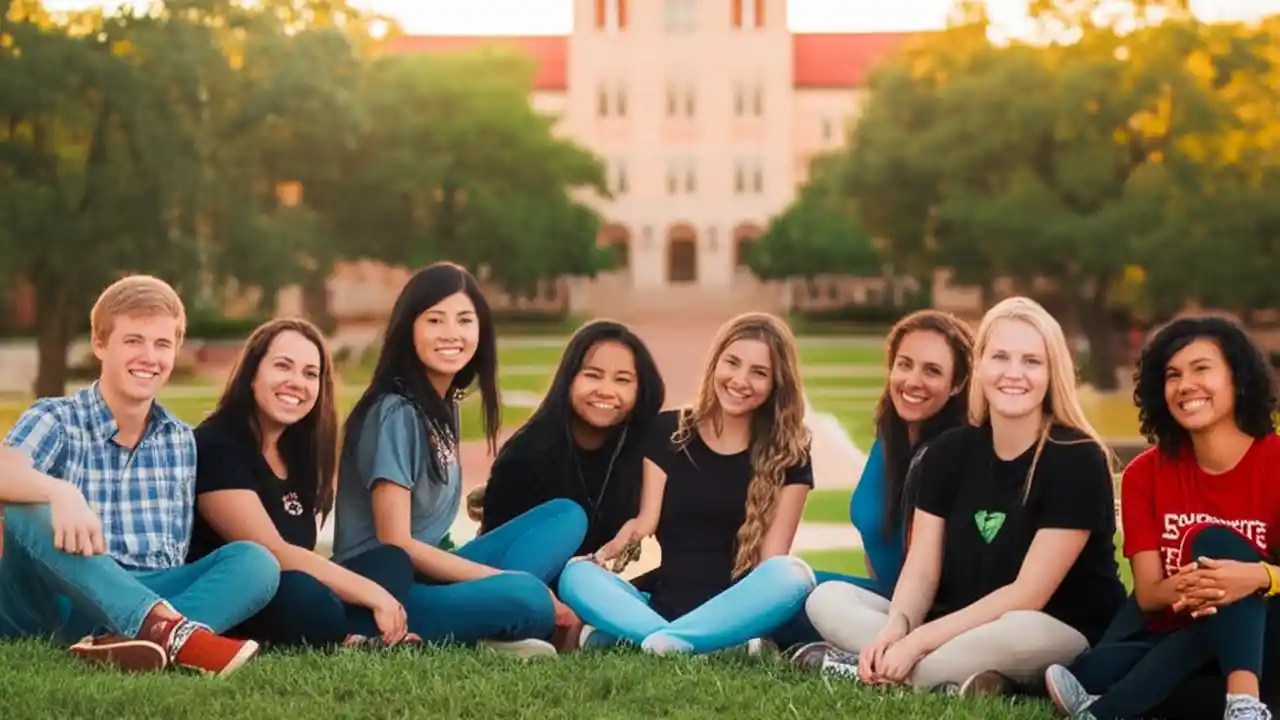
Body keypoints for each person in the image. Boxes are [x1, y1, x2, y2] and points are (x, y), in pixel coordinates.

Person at [805, 296, 1125, 696]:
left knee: (1018, 633)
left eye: (1031, 361)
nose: (1014, 373)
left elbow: (1029, 593)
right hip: (960, 624)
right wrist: (897, 628)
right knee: (827, 598)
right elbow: (921, 570)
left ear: (1052, 372)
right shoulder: (948, 452)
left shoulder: (1077, 458)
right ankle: (952, 677)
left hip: (1053, 624)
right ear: (981, 365)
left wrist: (918, 642)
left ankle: (864, 671)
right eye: (1000, 357)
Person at [0, 275, 278, 675]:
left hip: (152, 587)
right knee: (29, 505)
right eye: (133, 341)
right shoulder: (56, 418)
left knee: (256, 562)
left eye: (162, 344)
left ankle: (131, 642)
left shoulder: (181, 440)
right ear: (100, 344)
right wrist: (61, 493)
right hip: (59, 599)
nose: (149, 356)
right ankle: (166, 635)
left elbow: (173, 554)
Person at [333, 261, 586, 658]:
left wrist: (496, 578)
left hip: (428, 576)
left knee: (567, 516)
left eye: (464, 320)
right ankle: (492, 621)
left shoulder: (441, 404)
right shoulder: (393, 413)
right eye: (435, 320)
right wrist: (505, 580)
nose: (452, 334)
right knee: (528, 599)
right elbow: (395, 542)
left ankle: (487, 620)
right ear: (408, 328)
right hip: (381, 590)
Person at [1044, 314, 1279, 720]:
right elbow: (1151, 593)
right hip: (1178, 635)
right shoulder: (1145, 474)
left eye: (1202, 368)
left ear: (1237, 379)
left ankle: (1236, 702)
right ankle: (1243, 703)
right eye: (1172, 375)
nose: (1185, 385)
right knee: (1096, 668)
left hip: (1269, 635)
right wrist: (1211, 584)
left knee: (1215, 543)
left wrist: (1257, 577)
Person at [557, 312, 817, 654]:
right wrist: (606, 556)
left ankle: (658, 642)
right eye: (733, 363)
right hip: (662, 602)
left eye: (759, 373)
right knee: (576, 575)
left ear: (776, 384)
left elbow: (771, 564)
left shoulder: (790, 455)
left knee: (793, 574)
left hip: (734, 614)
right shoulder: (669, 431)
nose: (740, 380)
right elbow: (645, 523)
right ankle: (682, 642)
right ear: (715, 364)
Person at [188, 318, 417, 648]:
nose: (297, 382)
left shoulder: (299, 453)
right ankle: (350, 630)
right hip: (241, 597)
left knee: (392, 561)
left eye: (310, 374)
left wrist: (370, 588)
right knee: (309, 600)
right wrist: (371, 593)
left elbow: (303, 555)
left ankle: (351, 633)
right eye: (283, 366)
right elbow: (273, 553)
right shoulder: (216, 444)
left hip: (293, 588)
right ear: (253, 374)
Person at [785, 310, 973, 658]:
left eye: (932, 370)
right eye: (905, 364)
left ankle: (879, 657)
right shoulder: (890, 436)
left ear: (958, 384)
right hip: (884, 602)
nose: (913, 380)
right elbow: (876, 537)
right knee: (783, 584)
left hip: (935, 618)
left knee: (796, 603)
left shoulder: (957, 453)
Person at [478, 319, 665, 555]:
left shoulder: (651, 446)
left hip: (621, 587)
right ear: (568, 379)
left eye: (622, 380)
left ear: (640, 389)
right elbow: (495, 553)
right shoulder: (525, 455)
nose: (606, 391)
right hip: (537, 584)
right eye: (593, 375)